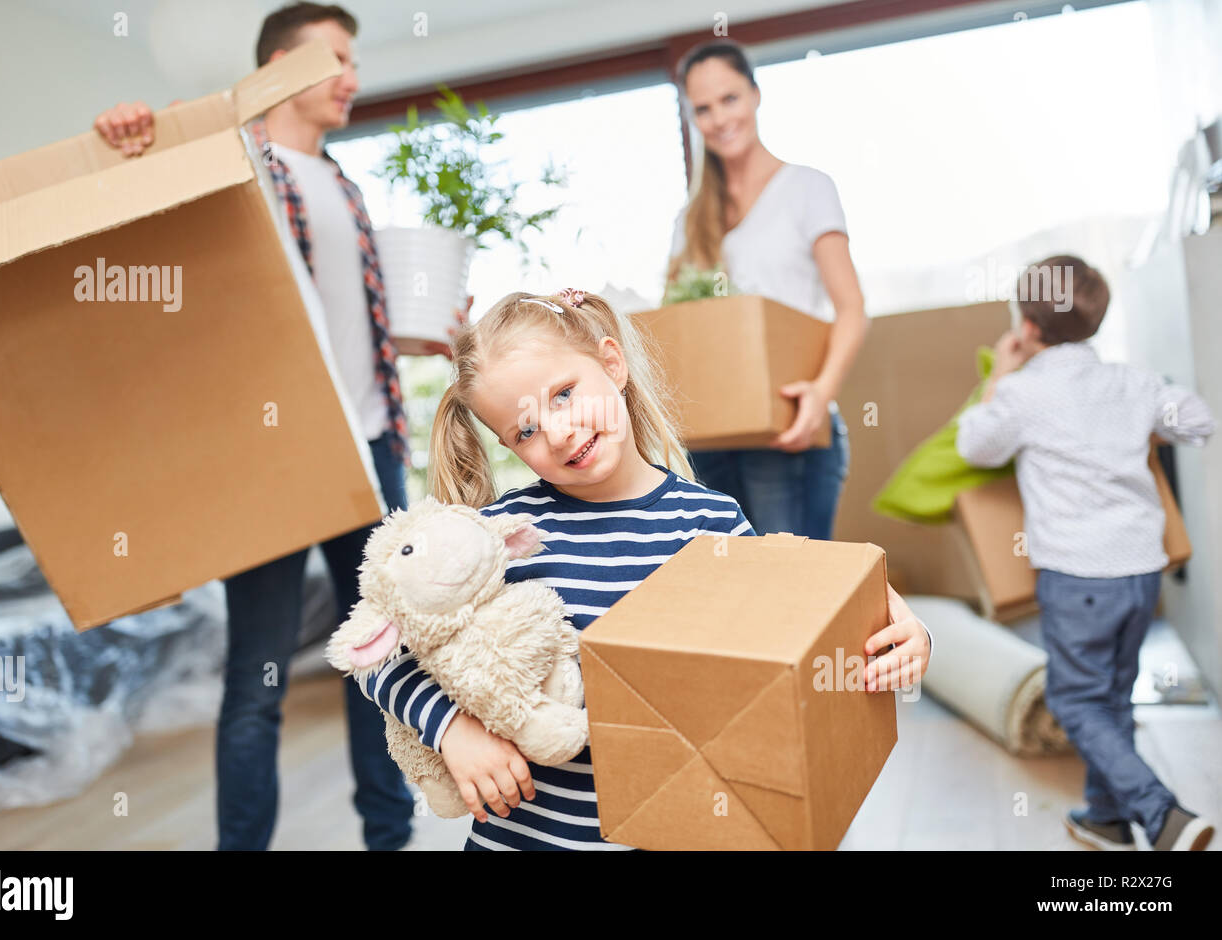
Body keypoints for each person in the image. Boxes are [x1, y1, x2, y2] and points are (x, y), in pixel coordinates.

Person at [357, 288, 932, 850]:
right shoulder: (495, 536)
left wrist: (900, 623)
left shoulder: (712, 524)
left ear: (613, 363)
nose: (557, 432)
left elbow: (798, 621)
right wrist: (453, 731)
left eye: (564, 394)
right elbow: (374, 649)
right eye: (524, 431)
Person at [93, 0, 458, 850]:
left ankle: (388, 834)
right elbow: (138, 203)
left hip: (370, 447)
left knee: (380, 661)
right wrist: (125, 136)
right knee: (257, 681)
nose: (354, 79)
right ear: (280, 70)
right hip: (271, 455)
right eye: (337, 59)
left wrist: (425, 334)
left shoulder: (342, 182)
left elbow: (344, 329)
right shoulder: (228, 168)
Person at [957, 255, 1216, 852]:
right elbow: (1198, 422)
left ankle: (1162, 813)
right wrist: (1140, 425)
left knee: (1076, 700)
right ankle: (1105, 818)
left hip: (1078, 577)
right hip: (1142, 576)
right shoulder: (1134, 383)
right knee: (1112, 699)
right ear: (1096, 321)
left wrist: (999, 372)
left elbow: (975, 445)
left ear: (1026, 326)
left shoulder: (1024, 392)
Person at [667, 40, 868, 539]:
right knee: (737, 596)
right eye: (703, 109)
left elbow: (852, 309)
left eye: (730, 99)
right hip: (712, 436)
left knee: (796, 593)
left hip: (788, 426)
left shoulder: (806, 189)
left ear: (755, 95)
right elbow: (678, 326)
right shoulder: (689, 221)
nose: (718, 119)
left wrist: (821, 394)